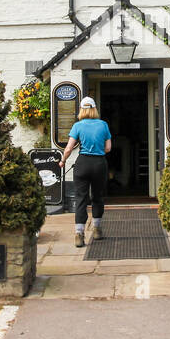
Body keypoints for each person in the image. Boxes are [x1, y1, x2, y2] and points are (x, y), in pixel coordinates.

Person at [58, 97, 112, 248]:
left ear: (82, 109)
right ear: (94, 109)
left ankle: (79, 234)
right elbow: (108, 148)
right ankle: (96, 229)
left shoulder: (77, 126)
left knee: (81, 198)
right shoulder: (103, 125)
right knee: (97, 196)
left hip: (82, 164)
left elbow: (69, 148)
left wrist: (63, 161)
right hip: (99, 163)